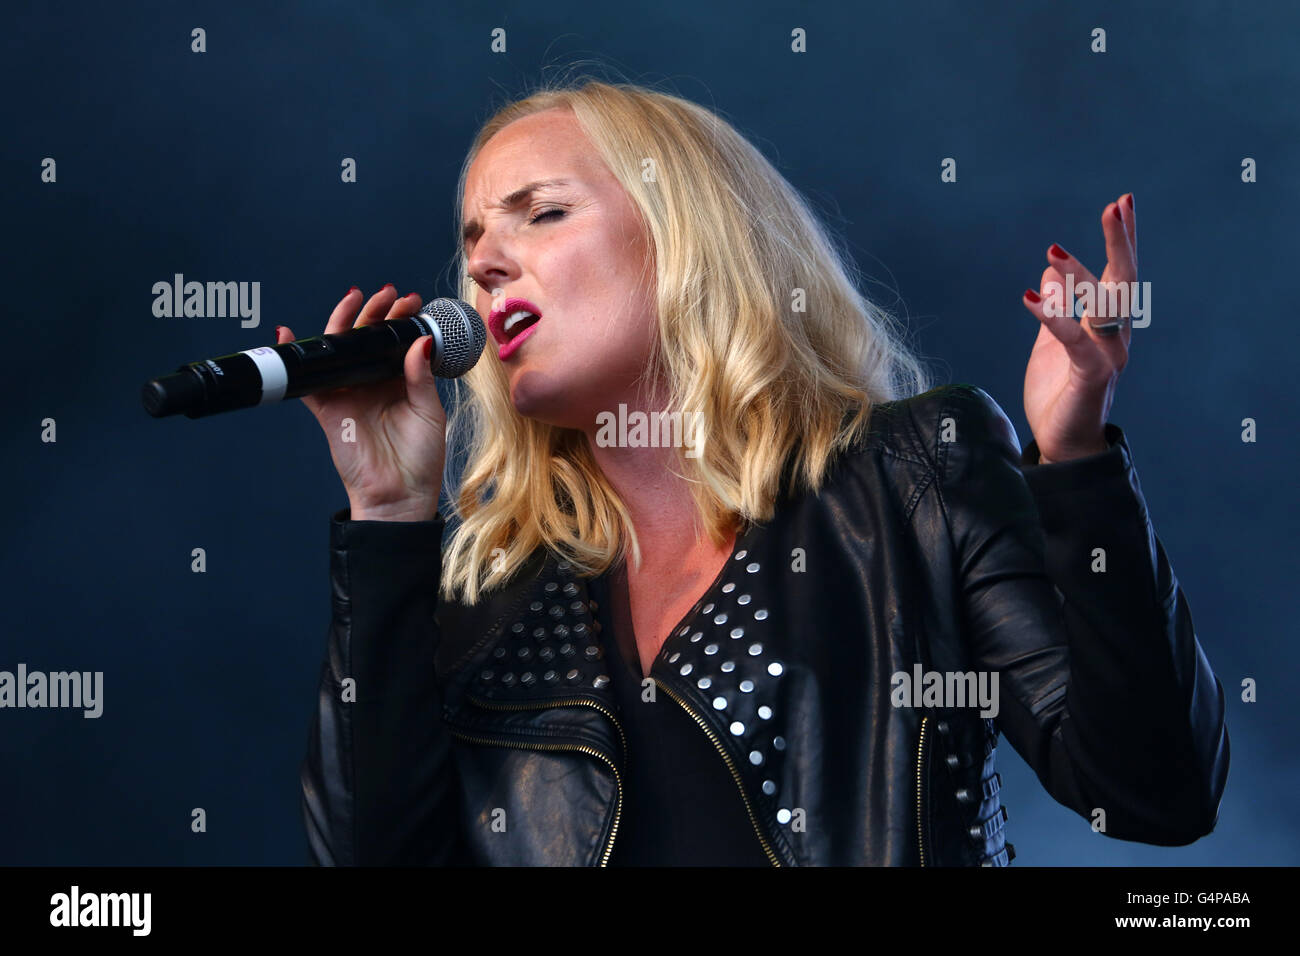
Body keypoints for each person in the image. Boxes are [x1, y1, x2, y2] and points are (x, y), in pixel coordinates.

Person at [287, 79, 1229, 866]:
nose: (486, 263)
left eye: (543, 213)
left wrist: (1076, 461)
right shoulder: (493, 599)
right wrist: (386, 512)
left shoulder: (913, 478)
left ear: (686, 233)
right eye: (475, 239)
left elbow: (1151, 794)